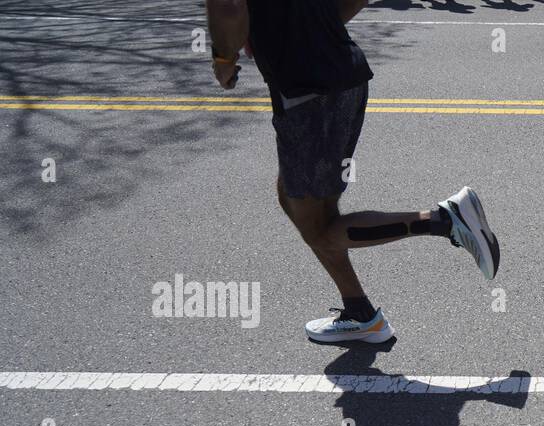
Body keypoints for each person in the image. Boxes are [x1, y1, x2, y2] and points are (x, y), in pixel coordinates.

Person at [204, 0, 500, 345]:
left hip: (308, 94)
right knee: (293, 200)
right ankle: (359, 311)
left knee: (319, 230)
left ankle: (444, 220)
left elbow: (228, 7)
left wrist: (224, 60)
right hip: (341, 77)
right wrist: (315, 28)